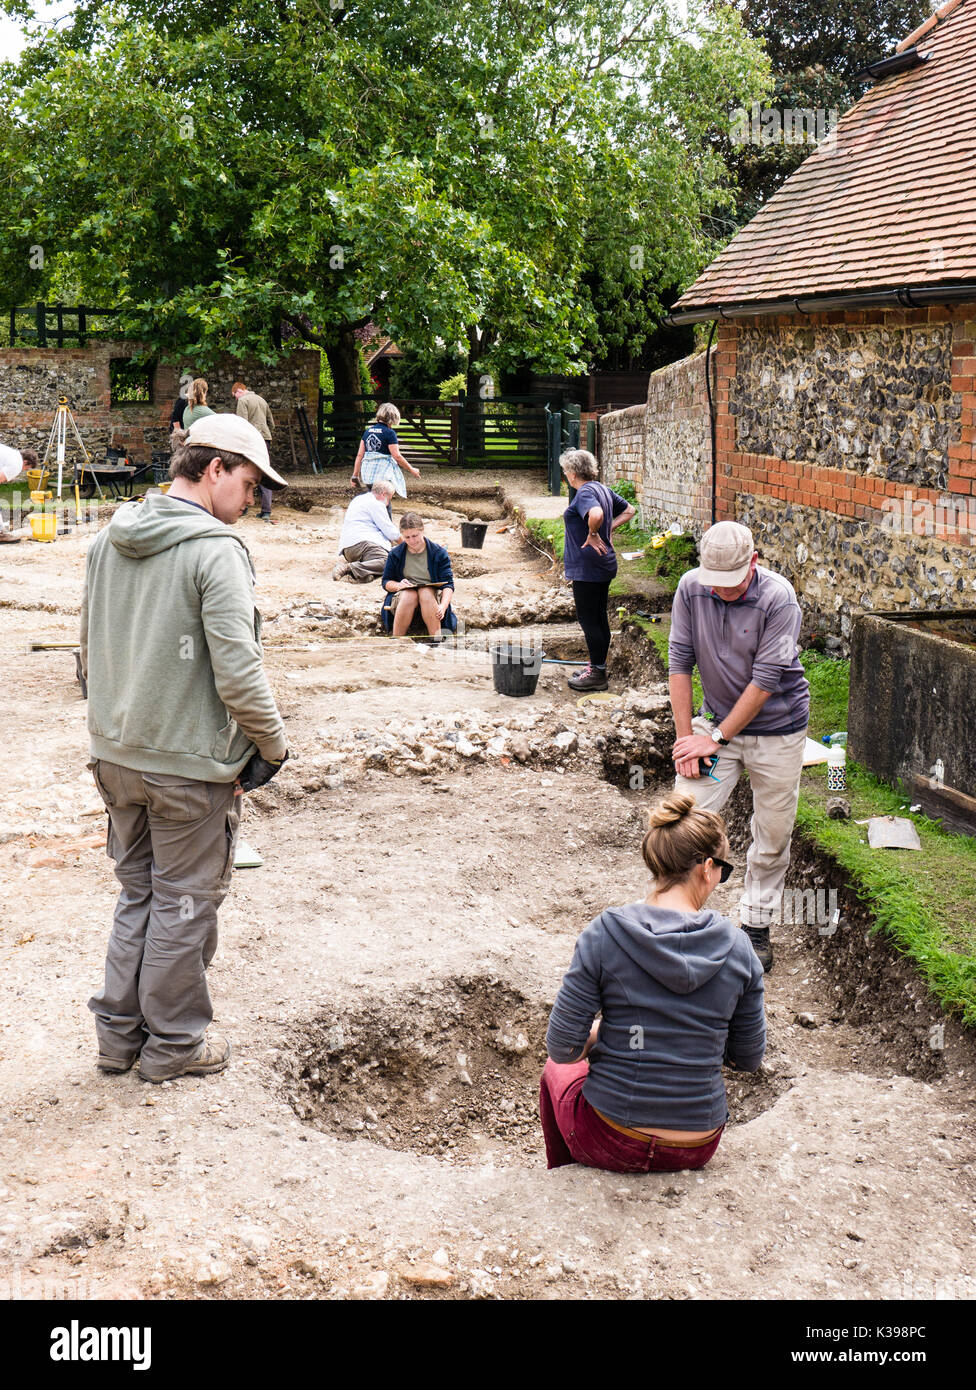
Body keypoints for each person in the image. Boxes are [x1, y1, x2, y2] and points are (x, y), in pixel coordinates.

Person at [80, 414, 289, 1083]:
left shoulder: (110, 537)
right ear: (217, 467)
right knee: (183, 902)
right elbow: (237, 669)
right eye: (251, 483)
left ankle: (118, 1040)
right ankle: (173, 1045)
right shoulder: (215, 550)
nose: (253, 500)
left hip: (117, 757)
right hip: (187, 768)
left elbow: (89, 652)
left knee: (138, 893)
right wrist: (273, 746)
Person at [540, 792, 765, 1174]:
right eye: (723, 872)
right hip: (698, 1144)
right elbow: (747, 1058)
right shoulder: (740, 948)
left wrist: (601, 1036)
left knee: (555, 1071)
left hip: (612, 1139)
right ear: (707, 868)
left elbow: (562, 1048)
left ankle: (565, 1175)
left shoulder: (606, 934)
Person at [668, 520, 810, 973]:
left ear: (754, 562)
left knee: (772, 831)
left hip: (778, 731)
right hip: (714, 727)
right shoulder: (691, 589)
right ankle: (673, 918)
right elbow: (679, 663)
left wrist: (716, 737)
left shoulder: (779, 599)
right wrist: (686, 740)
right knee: (683, 816)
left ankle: (756, 924)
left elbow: (766, 681)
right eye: (716, 583)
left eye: (732, 584)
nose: (723, 592)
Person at [558, 449, 635, 692]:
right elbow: (630, 509)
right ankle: (596, 666)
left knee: (589, 620)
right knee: (599, 618)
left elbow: (598, 514)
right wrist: (608, 529)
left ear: (571, 474)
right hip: (604, 563)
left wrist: (593, 533)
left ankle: (597, 675)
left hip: (588, 567)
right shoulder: (601, 488)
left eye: (564, 472)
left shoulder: (585, 492)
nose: (565, 476)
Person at [380, 512, 456, 637]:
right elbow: (386, 582)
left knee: (425, 591)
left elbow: (448, 584)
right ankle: (397, 639)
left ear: (422, 530)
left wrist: (443, 606)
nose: (412, 541)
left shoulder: (438, 553)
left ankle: (436, 641)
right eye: (407, 537)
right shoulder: (396, 554)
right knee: (409, 594)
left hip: (431, 595)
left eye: (415, 535)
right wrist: (399, 585)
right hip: (404, 595)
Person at [351, 403, 419, 503]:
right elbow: (397, 456)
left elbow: (360, 455)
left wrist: (355, 476)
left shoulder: (368, 431)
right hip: (382, 476)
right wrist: (411, 469)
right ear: (393, 417)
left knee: (371, 501)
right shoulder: (390, 433)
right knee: (384, 503)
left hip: (368, 475)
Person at [333, 480, 399, 582]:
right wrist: (408, 543)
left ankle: (365, 574)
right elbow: (391, 532)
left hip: (348, 549)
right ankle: (349, 568)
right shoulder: (376, 503)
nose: (388, 503)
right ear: (384, 494)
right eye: (390, 498)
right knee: (390, 562)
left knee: (383, 561)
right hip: (364, 545)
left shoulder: (359, 499)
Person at [232, 381, 276, 521]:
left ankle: (243, 507)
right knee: (264, 471)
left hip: (250, 441)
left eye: (235, 396)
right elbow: (272, 424)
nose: (236, 399)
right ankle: (266, 511)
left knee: (245, 471)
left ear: (239, 391)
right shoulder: (262, 400)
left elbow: (241, 424)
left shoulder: (243, 401)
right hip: (266, 439)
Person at [0, 441, 39, 543]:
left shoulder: (12, 453)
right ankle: (0, 534)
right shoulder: (17, 464)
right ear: (25, 462)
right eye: (27, 468)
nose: (24, 470)